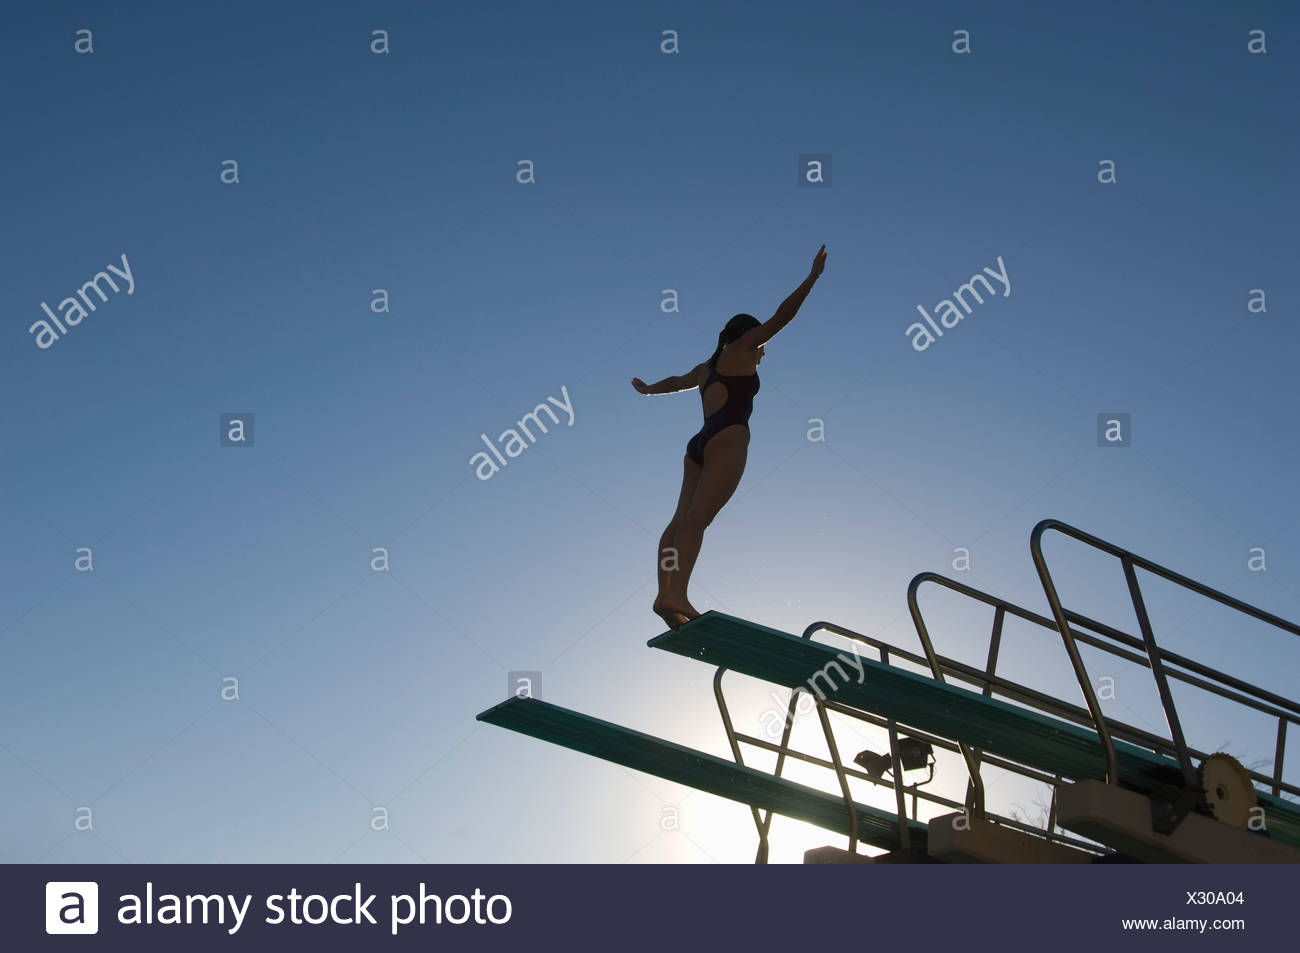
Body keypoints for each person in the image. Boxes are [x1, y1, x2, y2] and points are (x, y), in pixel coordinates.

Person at [632, 244, 827, 629]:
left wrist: (649, 389)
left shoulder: (707, 368)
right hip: (728, 438)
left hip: (698, 445)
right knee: (698, 519)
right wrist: (811, 278)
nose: (762, 354)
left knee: (680, 519)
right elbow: (782, 316)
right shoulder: (741, 349)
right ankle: (677, 594)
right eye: (761, 346)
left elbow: (676, 383)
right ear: (748, 335)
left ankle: (664, 593)